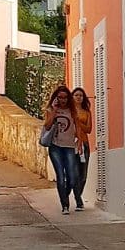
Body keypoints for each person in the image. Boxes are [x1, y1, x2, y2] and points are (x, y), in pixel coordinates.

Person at [42, 86, 82, 215]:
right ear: (56, 98)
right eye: (60, 97)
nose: (63, 100)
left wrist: (80, 142)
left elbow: (78, 126)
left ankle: (65, 194)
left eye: (65, 97)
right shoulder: (50, 110)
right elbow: (47, 125)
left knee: (72, 178)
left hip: (70, 146)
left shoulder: (72, 110)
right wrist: (54, 111)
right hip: (55, 147)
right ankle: (65, 205)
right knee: (60, 176)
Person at [71, 87, 92, 211]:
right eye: (76, 95)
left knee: (83, 175)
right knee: (74, 173)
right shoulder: (69, 111)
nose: (79, 97)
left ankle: (77, 195)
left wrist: (78, 123)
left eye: (81, 95)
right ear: (72, 97)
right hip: (72, 144)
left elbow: (89, 129)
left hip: (84, 144)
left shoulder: (86, 112)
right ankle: (79, 201)